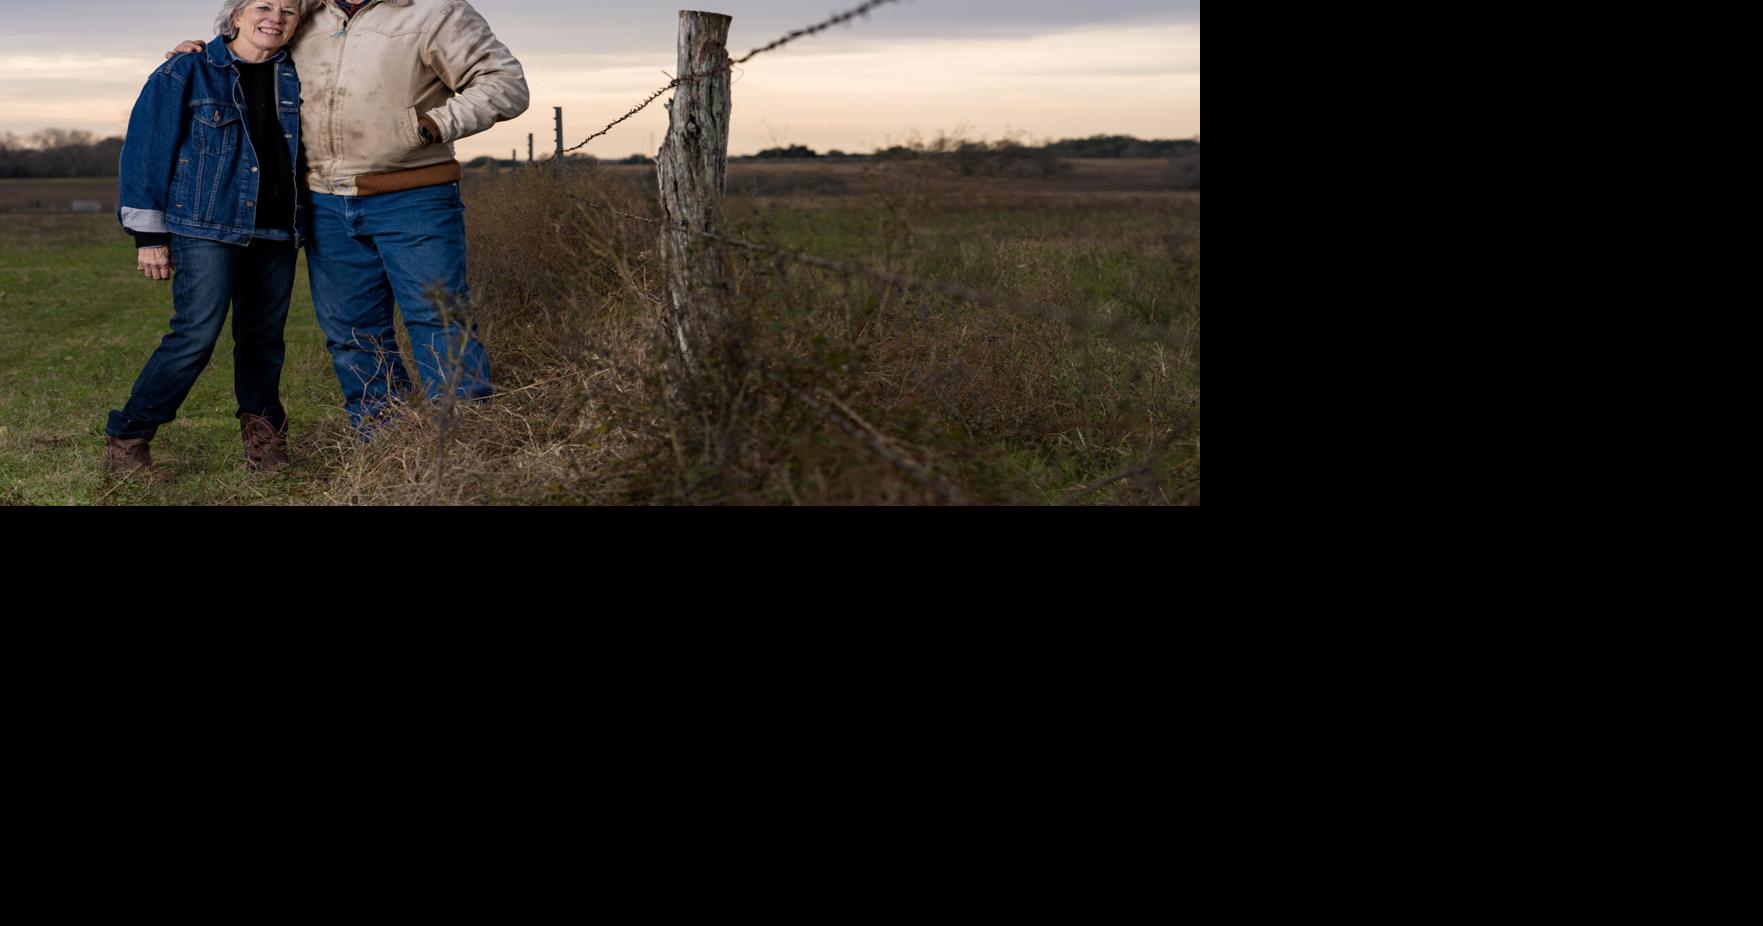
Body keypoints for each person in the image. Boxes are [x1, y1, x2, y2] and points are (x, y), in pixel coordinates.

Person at [169, 0, 530, 432]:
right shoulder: (304, 15)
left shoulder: (435, 12)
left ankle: (465, 442)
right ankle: (382, 442)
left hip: (414, 196)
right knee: (352, 333)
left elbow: (506, 84)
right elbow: (255, 50)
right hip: (324, 201)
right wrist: (204, 56)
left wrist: (430, 125)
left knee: (438, 319)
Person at [106, 0, 316, 475]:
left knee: (263, 339)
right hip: (204, 225)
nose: (276, 17)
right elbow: (145, 150)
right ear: (236, 15)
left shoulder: (298, 74)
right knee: (195, 335)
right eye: (264, 5)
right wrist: (148, 236)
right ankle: (129, 436)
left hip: (277, 229)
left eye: (289, 10)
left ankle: (265, 443)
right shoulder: (187, 69)